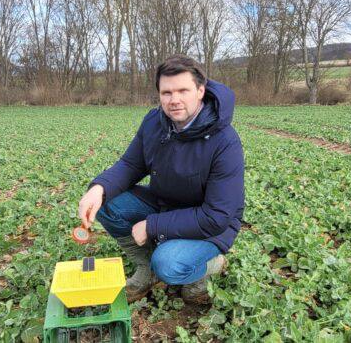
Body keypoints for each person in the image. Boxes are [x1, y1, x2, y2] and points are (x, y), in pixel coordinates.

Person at [77, 54, 245, 304]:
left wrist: (153, 225)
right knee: (108, 203)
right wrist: (98, 189)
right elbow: (131, 164)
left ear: (200, 91)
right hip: (165, 203)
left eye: (183, 90)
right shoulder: (155, 122)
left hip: (210, 225)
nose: (174, 100)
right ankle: (146, 271)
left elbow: (217, 216)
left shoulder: (225, 141)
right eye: (166, 92)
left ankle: (211, 265)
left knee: (169, 264)